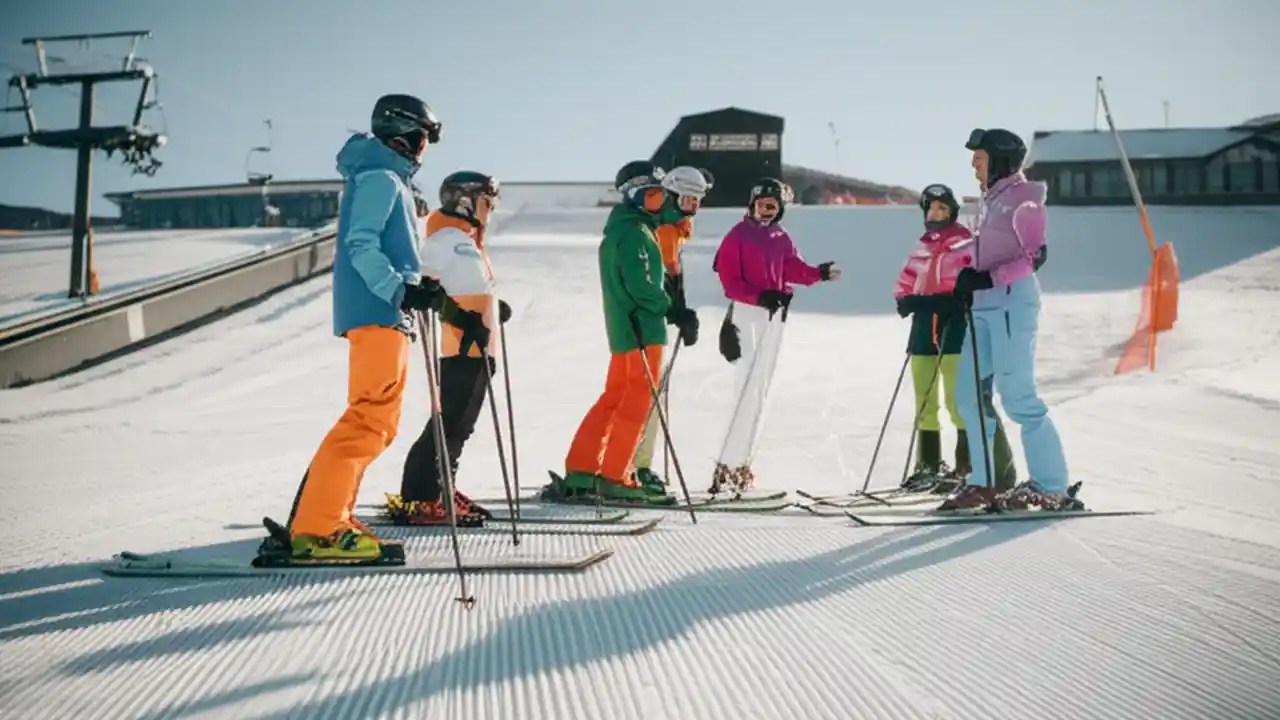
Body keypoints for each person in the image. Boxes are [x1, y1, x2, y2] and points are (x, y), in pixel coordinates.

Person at [283, 94, 485, 561]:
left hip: (387, 313)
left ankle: (333, 515)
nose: (423, 150)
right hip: (377, 311)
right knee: (368, 419)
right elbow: (361, 244)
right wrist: (398, 290)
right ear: (402, 135)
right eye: (422, 139)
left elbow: (396, 257)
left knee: (378, 422)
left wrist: (426, 294)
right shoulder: (379, 178)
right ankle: (319, 527)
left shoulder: (387, 179)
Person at [553, 160, 698, 504]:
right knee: (636, 402)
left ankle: (583, 470)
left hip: (625, 331)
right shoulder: (635, 234)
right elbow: (642, 286)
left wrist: (683, 211)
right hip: (642, 329)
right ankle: (616, 475)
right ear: (634, 196)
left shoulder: (626, 228)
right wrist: (673, 309)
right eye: (651, 195)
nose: (658, 202)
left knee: (615, 398)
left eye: (661, 195)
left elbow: (668, 223)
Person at [942, 127, 1071, 512]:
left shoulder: (1025, 200)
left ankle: (1052, 486)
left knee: (1018, 397)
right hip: (983, 307)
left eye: (979, 159)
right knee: (967, 394)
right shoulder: (992, 200)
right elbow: (991, 249)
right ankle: (985, 482)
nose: (974, 166)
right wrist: (963, 270)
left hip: (1012, 305)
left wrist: (986, 278)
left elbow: (1034, 257)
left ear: (999, 160)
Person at [388, 171, 505, 526]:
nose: (491, 209)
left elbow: (469, 285)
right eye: (487, 202)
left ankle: (441, 487)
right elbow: (422, 285)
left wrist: (494, 308)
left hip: (480, 346)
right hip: (460, 348)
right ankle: (423, 495)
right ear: (465, 202)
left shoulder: (466, 241)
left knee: (460, 425)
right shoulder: (443, 240)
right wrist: (456, 314)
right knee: (451, 423)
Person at [710, 178, 841, 494]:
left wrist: (819, 273)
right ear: (752, 205)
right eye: (761, 205)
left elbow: (793, 269)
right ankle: (727, 463)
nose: (765, 211)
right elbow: (730, 281)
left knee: (761, 390)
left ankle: (743, 464)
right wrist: (760, 296)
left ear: (780, 209)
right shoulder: (737, 236)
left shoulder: (780, 237)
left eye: (772, 206)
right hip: (747, 313)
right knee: (747, 387)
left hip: (774, 317)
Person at [894, 183, 1018, 493]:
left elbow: (966, 282)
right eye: (931, 208)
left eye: (942, 208)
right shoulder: (923, 244)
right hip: (923, 326)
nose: (936, 214)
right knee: (924, 399)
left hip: (955, 324)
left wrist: (948, 299)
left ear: (951, 212)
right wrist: (904, 298)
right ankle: (928, 464)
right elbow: (908, 276)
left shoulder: (963, 242)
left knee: (956, 400)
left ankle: (967, 465)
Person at [630, 166, 711, 493]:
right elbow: (656, 278)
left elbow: (672, 272)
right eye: (688, 199)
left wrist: (680, 307)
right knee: (645, 393)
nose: (694, 206)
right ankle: (634, 465)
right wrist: (676, 309)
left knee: (653, 392)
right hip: (644, 323)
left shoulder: (676, 228)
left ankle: (636, 463)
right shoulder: (663, 229)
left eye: (698, 200)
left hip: (654, 321)